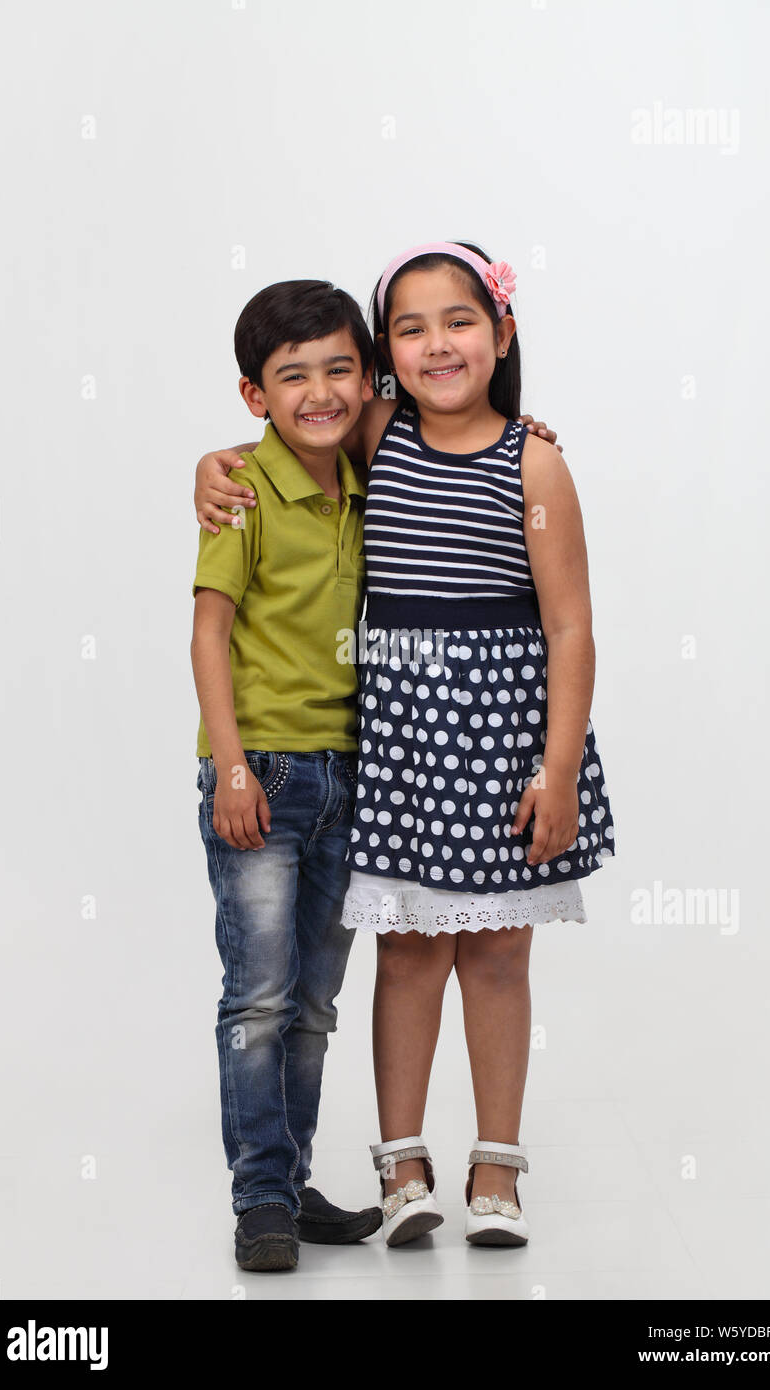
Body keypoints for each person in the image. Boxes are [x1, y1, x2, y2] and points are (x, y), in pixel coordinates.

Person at [192, 249, 573, 1255]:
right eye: (408, 327)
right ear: (385, 363)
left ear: (501, 333)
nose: (437, 343)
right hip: (381, 748)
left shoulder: (529, 460)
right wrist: (211, 462)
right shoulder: (376, 434)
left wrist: (559, 764)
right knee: (382, 959)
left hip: (486, 740)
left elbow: (570, 626)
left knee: (474, 956)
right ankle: (357, 1174)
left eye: (460, 320)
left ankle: (492, 1163)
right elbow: (289, 427)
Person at [191, 278, 383, 1273]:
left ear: (364, 375)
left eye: (338, 368)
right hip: (260, 777)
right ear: (253, 394)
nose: (319, 391)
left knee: (313, 1004)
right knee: (259, 998)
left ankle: (293, 1182)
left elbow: (454, 425)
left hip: (354, 776)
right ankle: (258, 1195)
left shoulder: (366, 473)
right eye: (291, 375)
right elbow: (208, 631)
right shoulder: (240, 492)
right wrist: (229, 766)